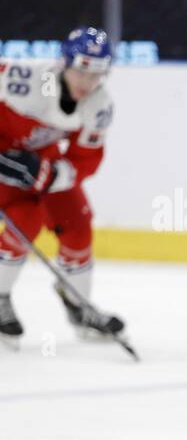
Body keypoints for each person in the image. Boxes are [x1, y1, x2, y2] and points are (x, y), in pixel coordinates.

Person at [0, 27, 123, 348]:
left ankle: (79, 304)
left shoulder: (98, 104)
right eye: (81, 70)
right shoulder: (28, 79)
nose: (87, 81)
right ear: (64, 63)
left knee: (78, 228)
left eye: (96, 73)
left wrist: (54, 176)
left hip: (42, 163)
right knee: (24, 222)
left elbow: (87, 158)